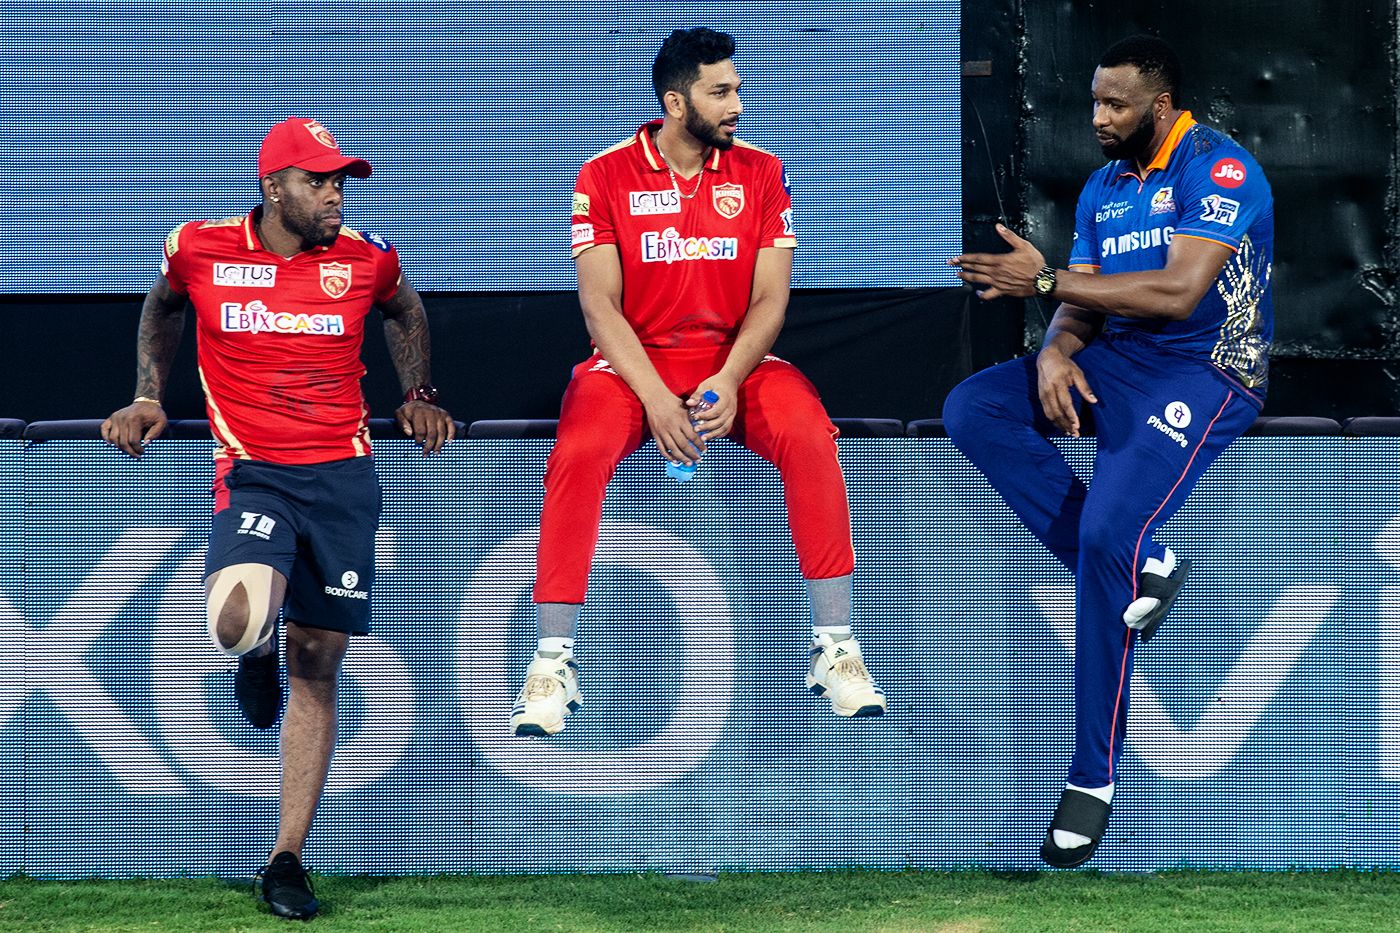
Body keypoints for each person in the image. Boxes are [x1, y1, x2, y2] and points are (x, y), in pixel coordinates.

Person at [101, 117, 454, 919]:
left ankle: (286, 858)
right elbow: (162, 309)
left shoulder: (367, 257)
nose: (336, 194)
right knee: (235, 620)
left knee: (320, 663)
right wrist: (148, 392)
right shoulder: (198, 247)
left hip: (343, 477)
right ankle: (251, 652)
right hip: (254, 473)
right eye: (321, 181)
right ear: (274, 189)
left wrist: (418, 394)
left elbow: (406, 313)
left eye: (341, 182)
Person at [945, 35, 1273, 867]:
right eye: (1093, 101)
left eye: (1114, 104)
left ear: (1158, 107)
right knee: (974, 407)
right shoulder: (1101, 186)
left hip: (1204, 373)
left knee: (1101, 542)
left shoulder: (1219, 166)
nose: (1097, 117)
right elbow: (1083, 301)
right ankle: (1148, 558)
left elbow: (1176, 290)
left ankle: (1092, 778)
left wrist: (1047, 283)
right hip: (1116, 363)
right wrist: (1055, 349)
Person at [512, 27, 886, 736]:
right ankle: (551, 662)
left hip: (733, 357)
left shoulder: (763, 173)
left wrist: (730, 377)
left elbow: (772, 298)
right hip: (631, 364)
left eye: (737, 88)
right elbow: (599, 305)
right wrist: (655, 397)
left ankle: (836, 648)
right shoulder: (604, 174)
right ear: (676, 103)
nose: (738, 103)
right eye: (722, 91)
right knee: (577, 453)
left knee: (811, 432)